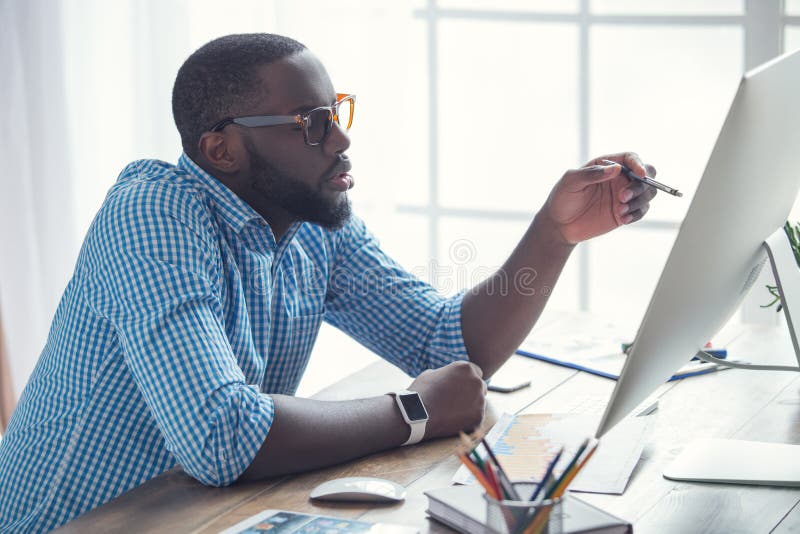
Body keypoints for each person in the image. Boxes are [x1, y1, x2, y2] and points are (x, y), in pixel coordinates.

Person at [0, 33, 657, 532]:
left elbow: (448, 345)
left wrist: (554, 232)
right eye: (311, 124)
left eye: (336, 111)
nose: (341, 139)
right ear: (220, 149)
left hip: (199, 515)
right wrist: (414, 412)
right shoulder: (153, 213)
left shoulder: (313, 224)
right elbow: (222, 435)